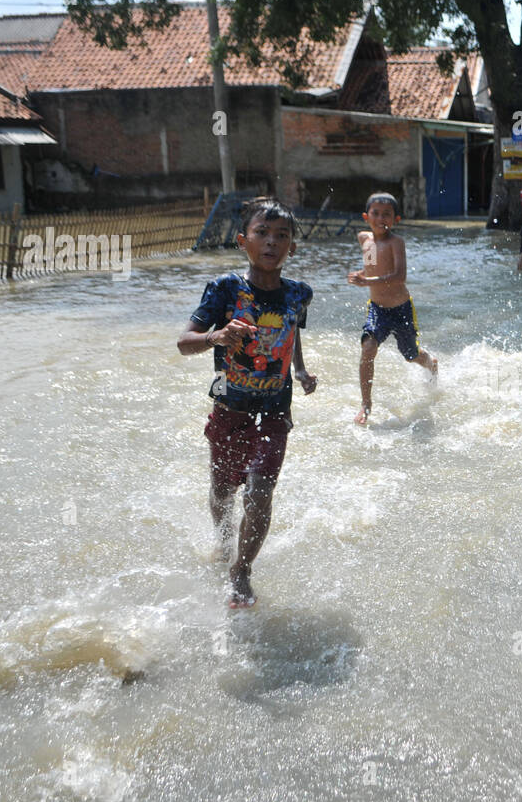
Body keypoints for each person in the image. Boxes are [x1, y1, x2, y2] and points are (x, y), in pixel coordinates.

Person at [177, 197, 317, 608]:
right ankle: (222, 545)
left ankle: (242, 569)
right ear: (243, 240)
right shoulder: (224, 289)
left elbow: (293, 335)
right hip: (229, 406)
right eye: (262, 233)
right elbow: (184, 343)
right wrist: (215, 337)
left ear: (292, 247)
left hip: (275, 411)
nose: (272, 242)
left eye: (282, 236)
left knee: (260, 491)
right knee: (223, 489)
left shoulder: (299, 294)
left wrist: (300, 370)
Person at [348, 192, 438, 425]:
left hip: (401, 309)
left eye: (386, 214)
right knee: (368, 348)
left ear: (396, 219)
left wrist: (367, 280)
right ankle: (366, 404)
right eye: (375, 214)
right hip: (377, 309)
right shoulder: (363, 239)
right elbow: (372, 263)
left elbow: (399, 276)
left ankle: (430, 362)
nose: (380, 219)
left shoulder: (396, 242)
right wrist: (362, 273)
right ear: (366, 217)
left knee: (411, 355)